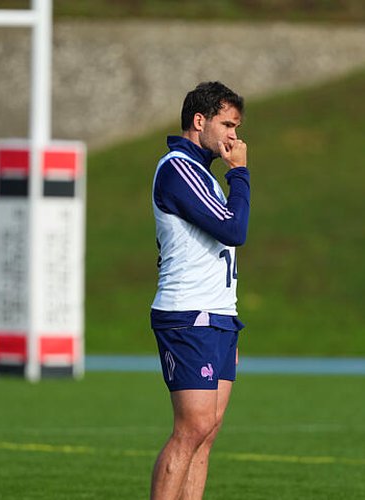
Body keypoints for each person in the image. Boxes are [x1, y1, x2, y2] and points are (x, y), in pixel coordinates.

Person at [149, 81, 251, 499]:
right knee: (190, 429)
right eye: (226, 124)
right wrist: (241, 174)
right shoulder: (177, 168)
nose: (234, 136)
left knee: (207, 432)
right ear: (199, 120)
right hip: (188, 315)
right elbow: (234, 228)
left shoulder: (204, 176)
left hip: (219, 315)